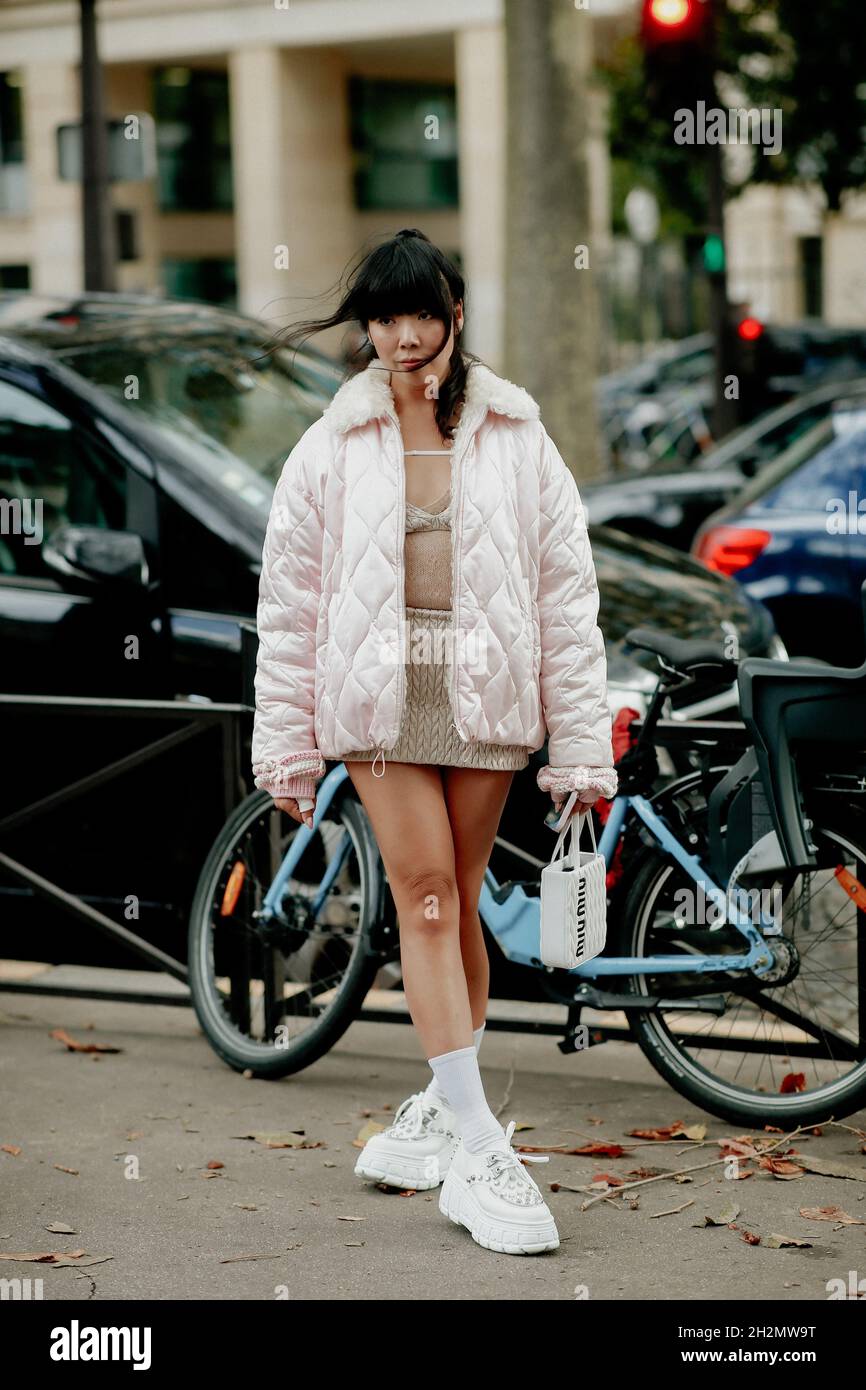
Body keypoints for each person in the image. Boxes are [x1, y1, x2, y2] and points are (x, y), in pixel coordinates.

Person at [251, 228, 618, 1256]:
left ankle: (434, 1108)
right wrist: (284, 743)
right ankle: (477, 1141)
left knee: (455, 900)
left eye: (418, 314)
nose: (399, 336)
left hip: (486, 699)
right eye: (381, 317)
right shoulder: (331, 443)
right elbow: (290, 605)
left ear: (453, 314)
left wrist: (578, 749)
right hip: (379, 701)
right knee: (420, 894)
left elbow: (565, 599)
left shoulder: (516, 433)